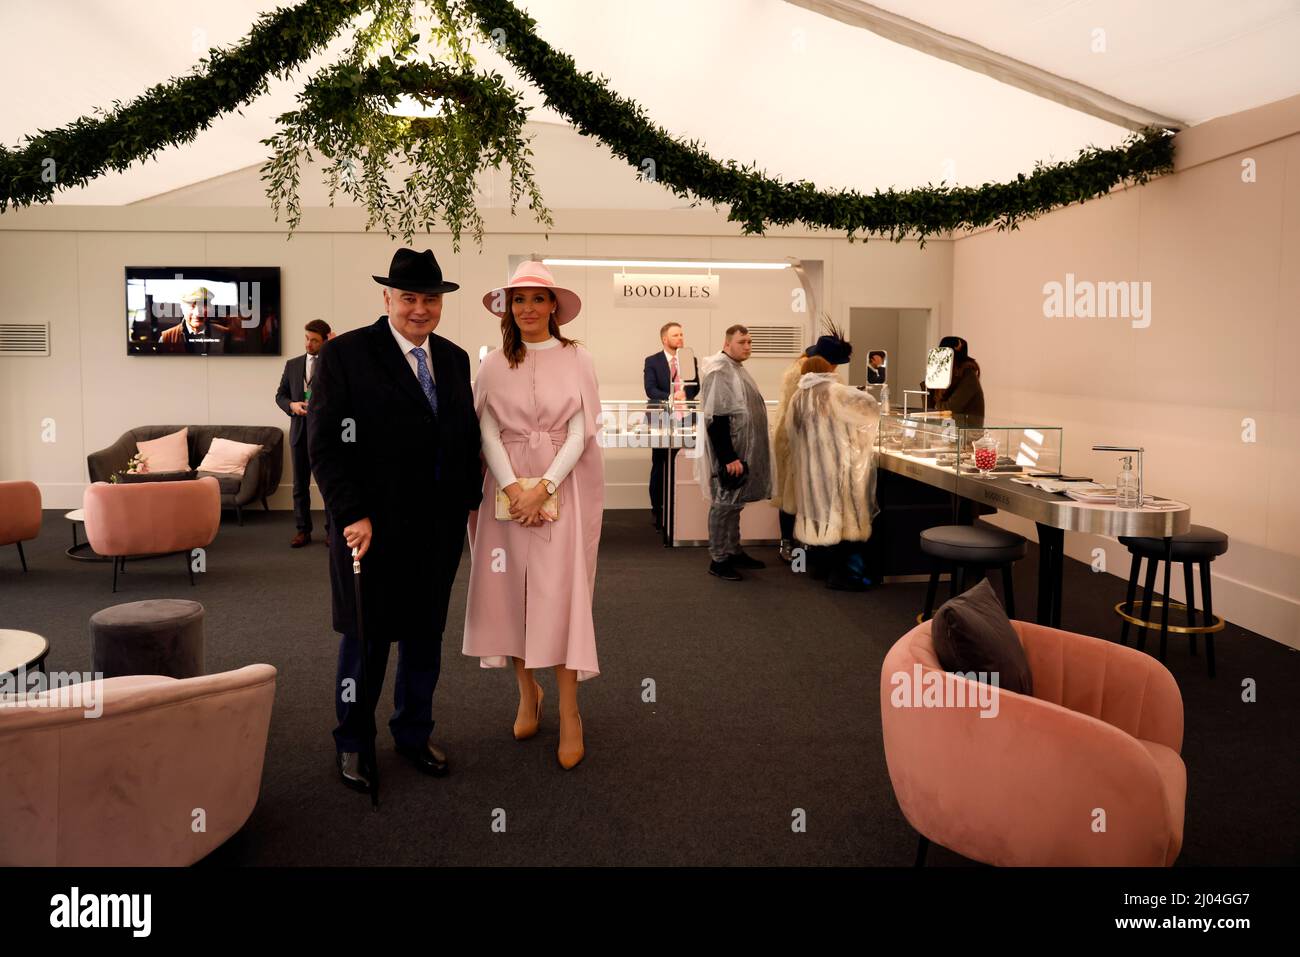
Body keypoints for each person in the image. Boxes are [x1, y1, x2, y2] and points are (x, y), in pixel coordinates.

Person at [307, 248, 482, 794]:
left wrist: (467, 503)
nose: (421, 309)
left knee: (425, 638)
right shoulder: (345, 356)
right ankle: (353, 742)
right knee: (367, 641)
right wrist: (350, 514)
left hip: (437, 531)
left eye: (431, 299)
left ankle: (412, 732)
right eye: (409, 298)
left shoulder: (453, 359)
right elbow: (325, 446)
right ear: (387, 299)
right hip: (371, 530)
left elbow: (461, 438)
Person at [463, 261, 604, 770]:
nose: (527, 308)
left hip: (561, 487)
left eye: (537, 299)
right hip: (505, 494)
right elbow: (486, 431)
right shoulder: (493, 362)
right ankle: (528, 692)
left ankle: (570, 711)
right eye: (518, 299)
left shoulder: (577, 357)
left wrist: (543, 486)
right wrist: (512, 488)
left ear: (554, 307)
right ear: (507, 307)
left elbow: (581, 430)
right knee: (511, 594)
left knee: (559, 594)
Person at [785, 355, 881, 591]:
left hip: (811, 469)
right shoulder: (835, 390)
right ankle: (843, 575)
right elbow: (869, 404)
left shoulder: (799, 396)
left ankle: (822, 568)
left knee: (821, 517)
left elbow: (791, 432)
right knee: (843, 518)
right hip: (838, 465)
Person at [697, 325, 772, 581]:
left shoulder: (735, 368)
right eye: (742, 342)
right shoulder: (720, 372)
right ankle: (718, 559)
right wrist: (729, 456)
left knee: (735, 505)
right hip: (732, 452)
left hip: (743, 450)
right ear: (727, 343)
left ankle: (733, 549)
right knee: (723, 505)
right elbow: (716, 418)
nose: (748, 346)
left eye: (750, 341)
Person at [772, 332, 853, 564]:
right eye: (836, 362)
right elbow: (799, 412)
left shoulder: (818, 370)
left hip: (810, 440)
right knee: (791, 494)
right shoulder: (800, 373)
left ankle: (804, 543)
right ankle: (788, 543)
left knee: (801, 492)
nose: (837, 367)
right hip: (795, 440)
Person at [275, 319, 331, 547]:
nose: (309, 344)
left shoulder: (332, 363)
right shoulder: (292, 364)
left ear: (325, 340)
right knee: (300, 486)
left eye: (315, 340)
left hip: (325, 435)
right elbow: (280, 395)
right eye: (307, 338)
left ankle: (332, 532)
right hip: (299, 432)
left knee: (329, 485)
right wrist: (292, 406)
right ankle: (303, 531)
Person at [643, 322, 699, 530]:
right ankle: (657, 510)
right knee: (660, 464)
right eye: (675, 335)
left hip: (685, 417)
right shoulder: (653, 361)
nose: (680, 338)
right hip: (661, 418)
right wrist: (670, 397)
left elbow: (696, 387)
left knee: (681, 463)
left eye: (682, 334)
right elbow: (650, 389)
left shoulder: (689, 359)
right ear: (664, 339)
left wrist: (686, 395)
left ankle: (677, 509)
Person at [158, 286, 229, 354]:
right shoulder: (166, 338)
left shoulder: (224, 334)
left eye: (203, 306)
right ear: (182, 308)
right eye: (192, 306)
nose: (198, 313)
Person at [931, 335, 983, 422]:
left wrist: (936, 404)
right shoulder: (952, 378)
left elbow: (948, 410)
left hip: (967, 434)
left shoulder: (968, 376)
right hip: (954, 432)